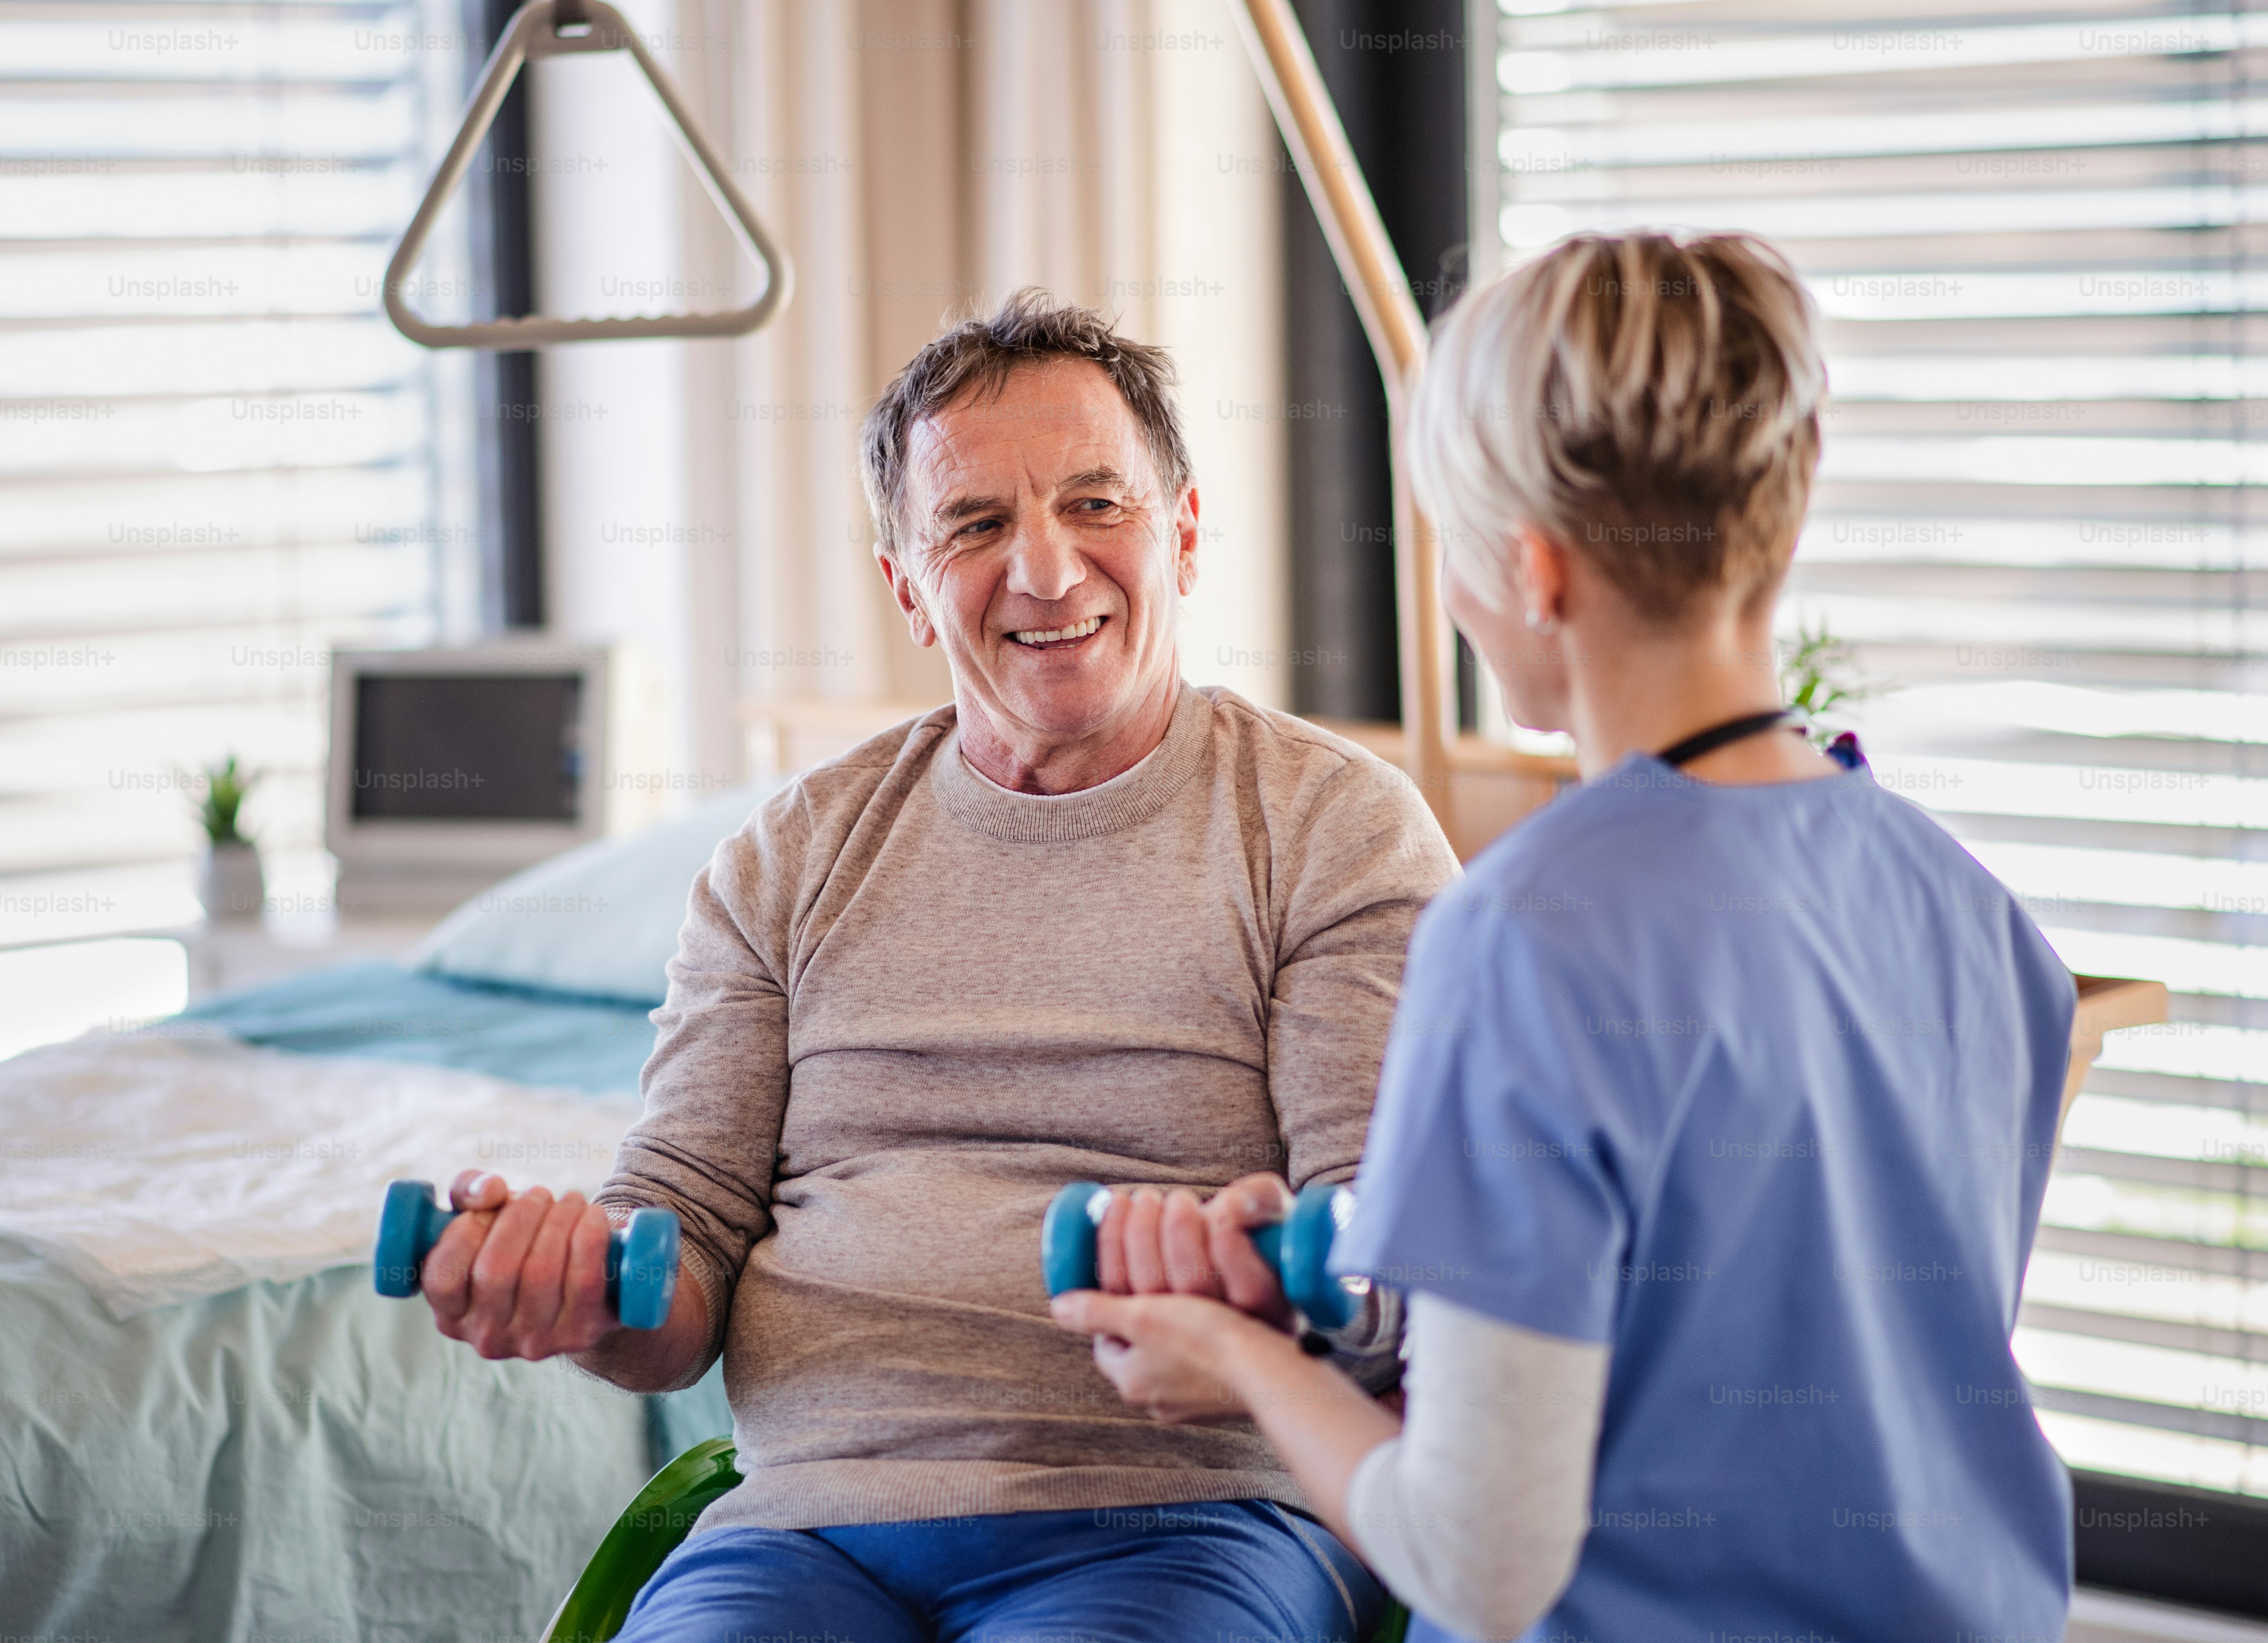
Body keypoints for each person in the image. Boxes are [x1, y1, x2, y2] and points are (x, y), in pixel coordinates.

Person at [1052, 231, 2078, 1643]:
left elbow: (1479, 1560)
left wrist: (1235, 1360)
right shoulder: (1970, 910)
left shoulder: (1527, 933)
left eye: (1450, 550)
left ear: (1532, 572)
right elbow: (1822, 1367)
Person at [420, 290, 1457, 1641]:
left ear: (1186, 535)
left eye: (1099, 503)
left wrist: (1277, 1292)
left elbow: (1401, 1268)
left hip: (1191, 1512)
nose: (1044, 569)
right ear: (908, 583)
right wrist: (574, 1285)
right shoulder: (787, 856)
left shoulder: (1333, 826)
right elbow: (676, 1263)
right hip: (804, 1528)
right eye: (974, 525)